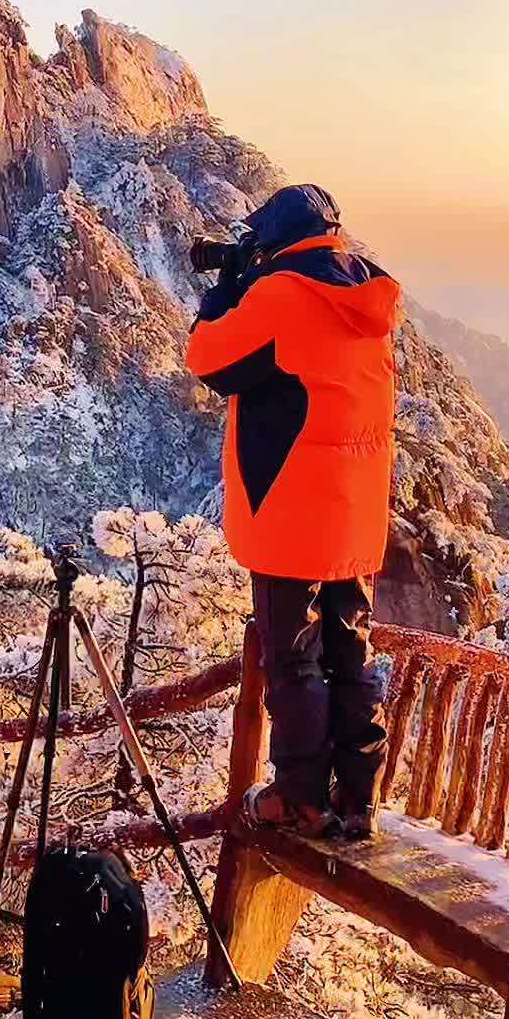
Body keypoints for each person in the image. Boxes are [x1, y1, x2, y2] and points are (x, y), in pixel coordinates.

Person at [186, 184, 401, 841]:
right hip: (356, 511)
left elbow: (208, 358)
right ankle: (356, 796)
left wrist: (227, 285)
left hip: (291, 505)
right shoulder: (366, 289)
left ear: (275, 238)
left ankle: (301, 797)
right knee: (350, 654)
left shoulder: (281, 295)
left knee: (296, 661)